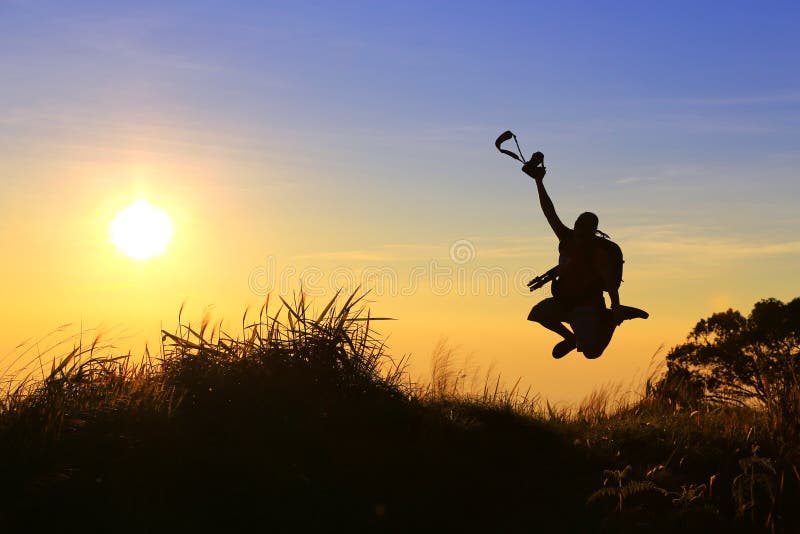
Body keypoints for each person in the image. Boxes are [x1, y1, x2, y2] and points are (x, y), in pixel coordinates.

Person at [522, 159, 646, 359]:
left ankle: (612, 319)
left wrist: (615, 308)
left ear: (592, 232)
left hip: (587, 305)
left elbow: (610, 284)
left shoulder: (598, 253)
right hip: (565, 301)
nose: (578, 234)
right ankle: (571, 339)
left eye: (582, 231)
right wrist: (539, 181)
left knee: (592, 352)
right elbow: (549, 212)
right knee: (538, 314)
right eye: (577, 228)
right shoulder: (566, 238)